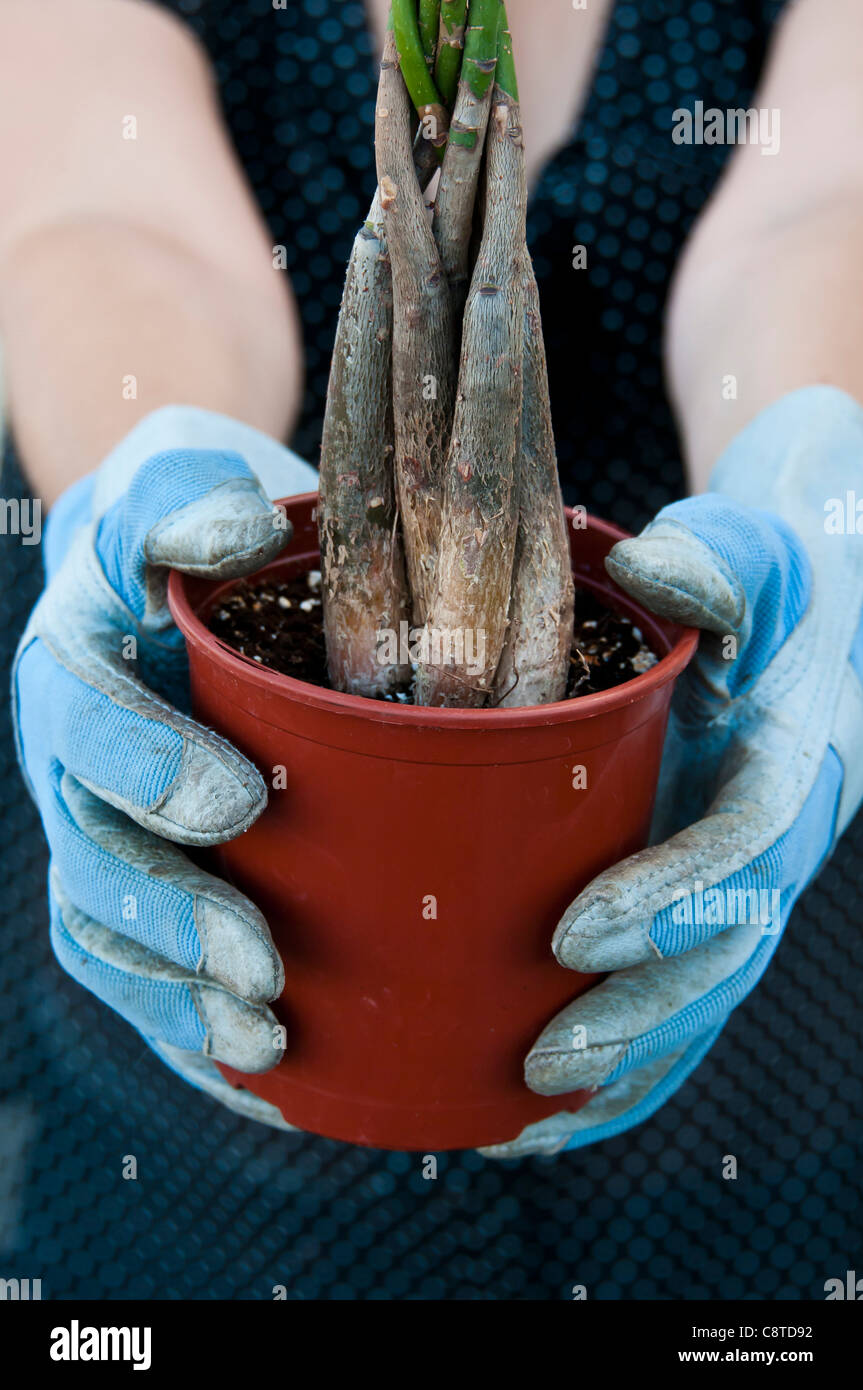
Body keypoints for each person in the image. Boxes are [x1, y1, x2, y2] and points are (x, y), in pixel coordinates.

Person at [2, 0, 861, 1156]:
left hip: (746, 1105)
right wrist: (144, 448)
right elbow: (104, 212)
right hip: (206, 1180)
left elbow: (820, 209)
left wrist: (815, 487)